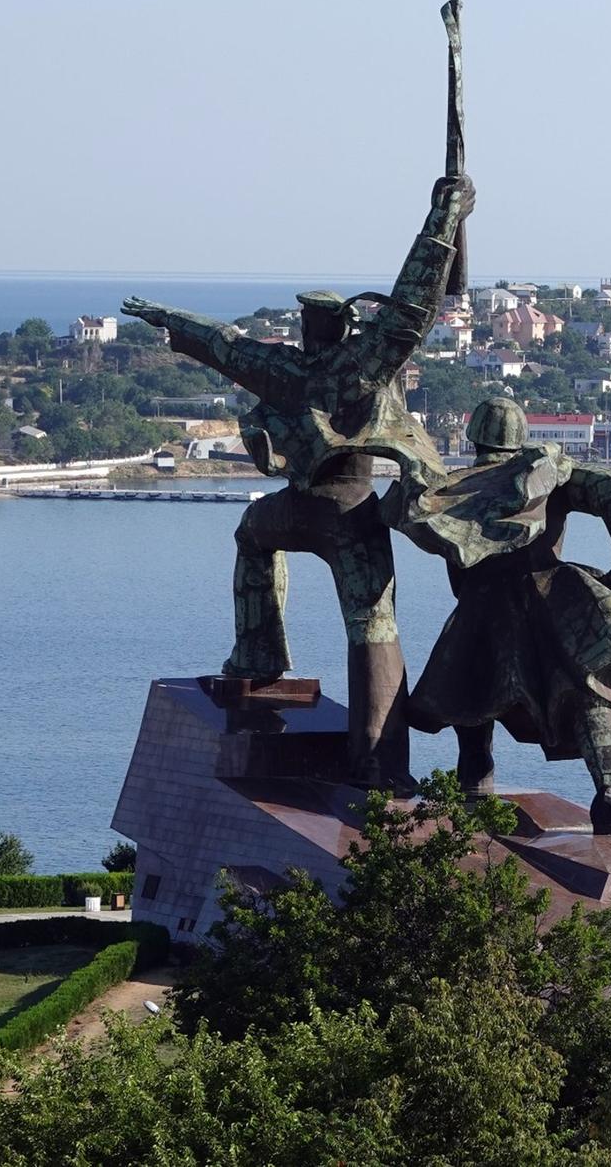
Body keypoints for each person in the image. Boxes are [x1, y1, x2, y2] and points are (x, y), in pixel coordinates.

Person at [121, 174, 474, 786]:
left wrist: (164, 316)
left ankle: (259, 653)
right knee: (373, 624)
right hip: (351, 514)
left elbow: (219, 344)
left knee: (252, 535)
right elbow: (415, 303)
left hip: (297, 507)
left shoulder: (281, 368)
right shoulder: (365, 363)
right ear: (343, 327)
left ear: (306, 327)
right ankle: (378, 762)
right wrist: (445, 215)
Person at [395, 397, 611, 834]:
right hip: (553, 597)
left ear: (474, 438)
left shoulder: (452, 489)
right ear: (522, 437)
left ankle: (473, 792)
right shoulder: (548, 474)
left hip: (482, 609)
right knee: (591, 691)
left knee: (472, 696)